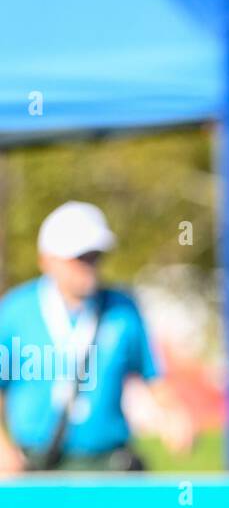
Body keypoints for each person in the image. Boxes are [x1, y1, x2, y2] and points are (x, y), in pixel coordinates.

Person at [0, 201, 192, 472]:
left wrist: (175, 415)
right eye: (79, 257)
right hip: (36, 464)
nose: (89, 266)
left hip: (107, 463)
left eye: (94, 256)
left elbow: (153, 377)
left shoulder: (123, 310)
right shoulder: (15, 311)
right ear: (47, 260)